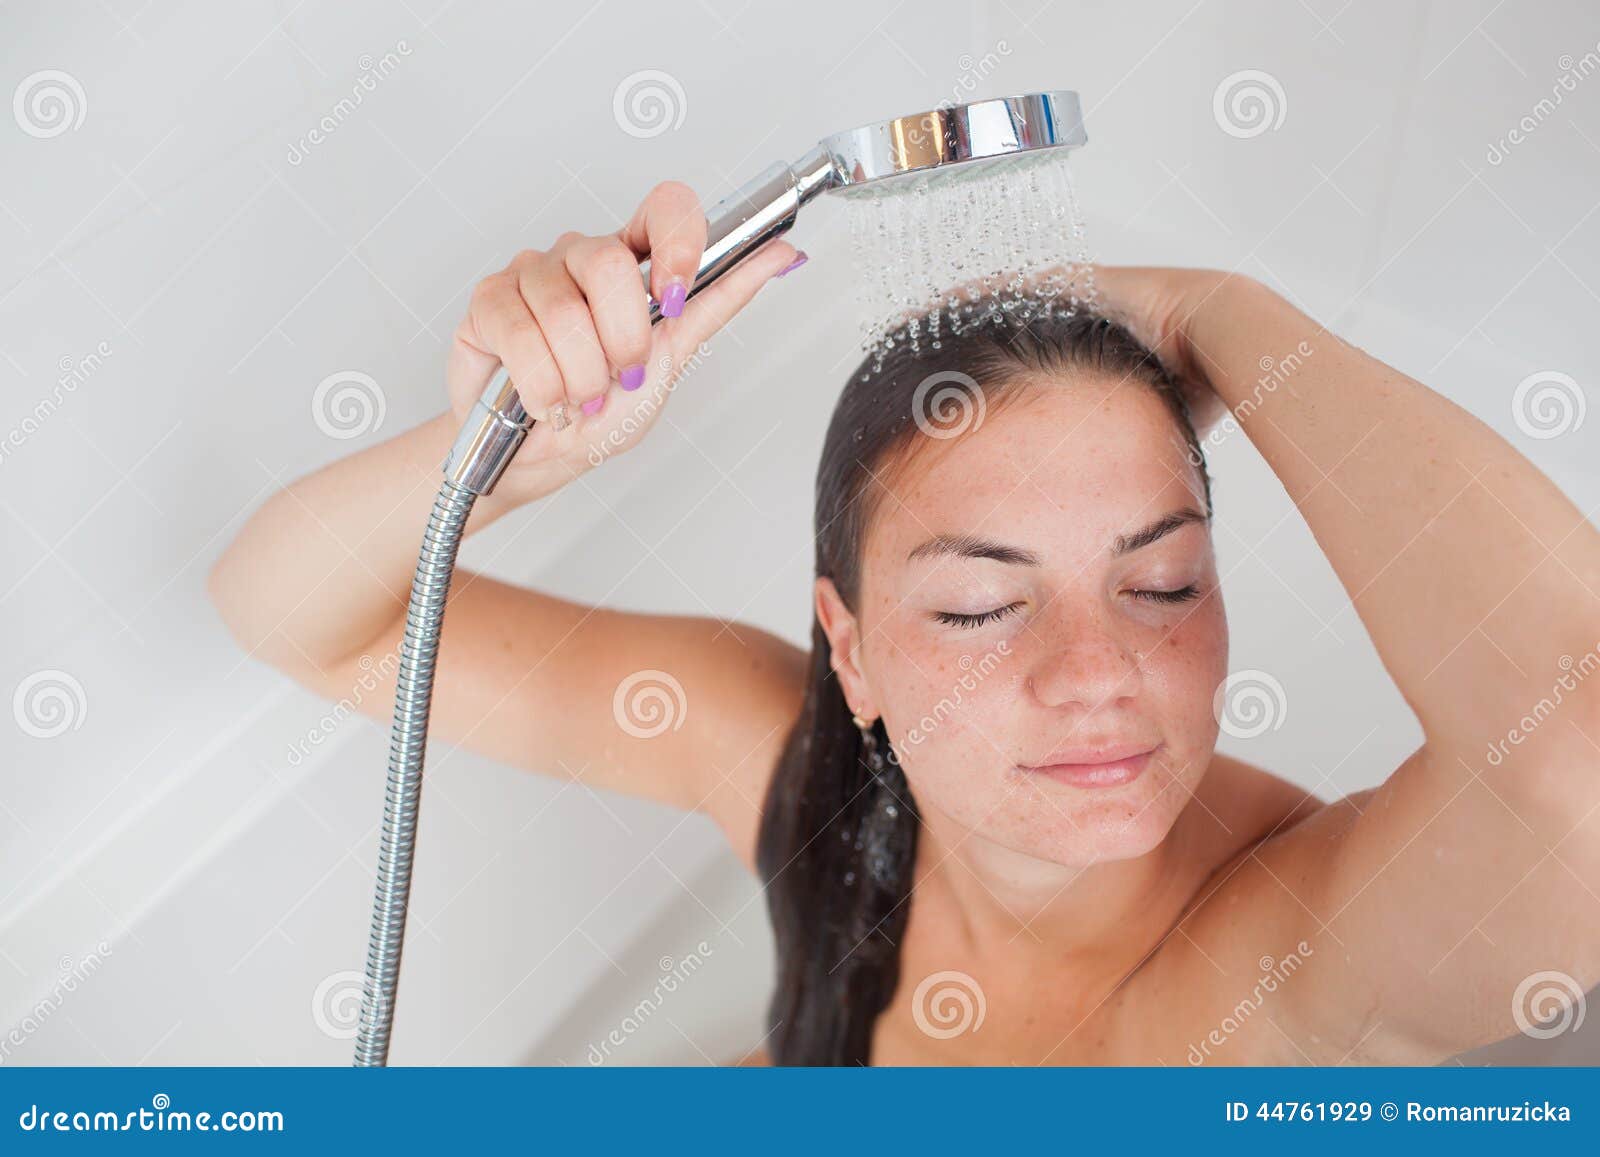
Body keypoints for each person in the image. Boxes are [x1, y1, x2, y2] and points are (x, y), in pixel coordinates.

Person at [209, 181, 1600, 1065]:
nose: (1098, 674)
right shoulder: (789, 766)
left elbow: (1578, 757)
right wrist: (523, 461)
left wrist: (1224, 315)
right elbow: (299, 615)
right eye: (986, 605)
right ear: (853, 648)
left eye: (1163, 581)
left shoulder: (1273, 972)